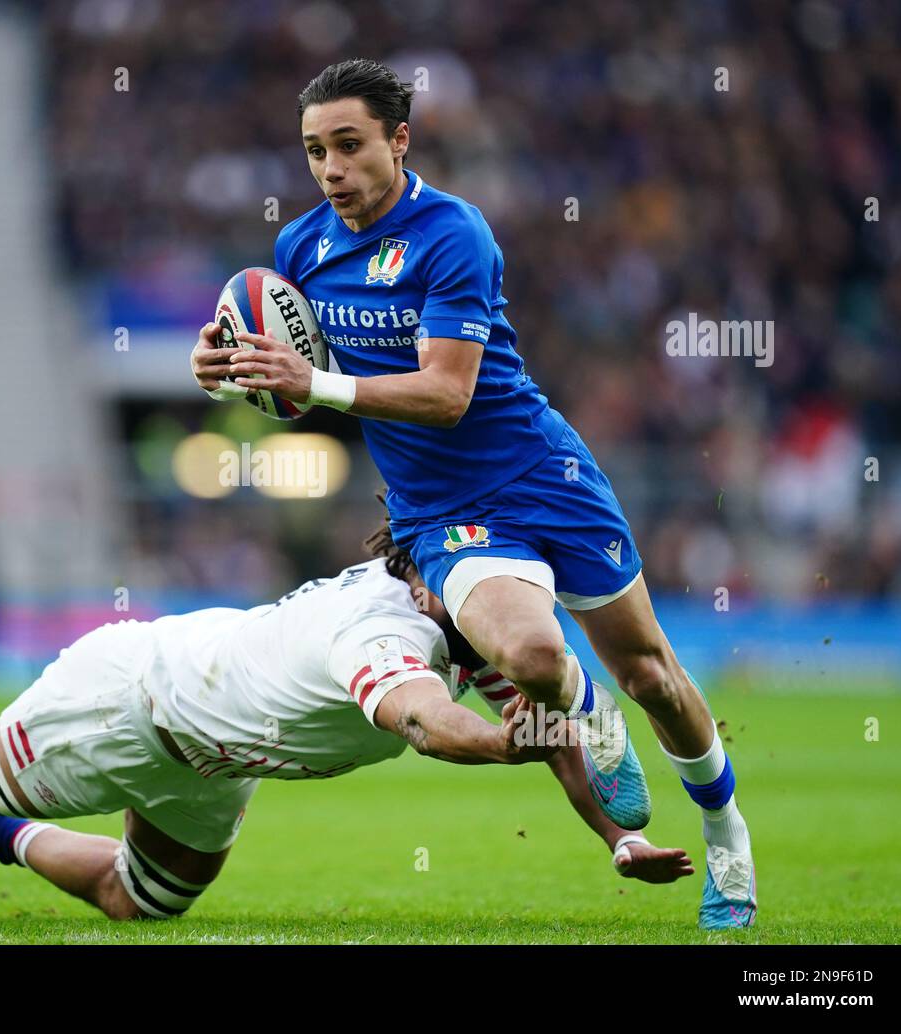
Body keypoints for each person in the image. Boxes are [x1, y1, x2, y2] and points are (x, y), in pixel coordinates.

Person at [189, 58, 753, 929]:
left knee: (652, 673)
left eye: (349, 146)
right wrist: (233, 372)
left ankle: (726, 838)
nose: (331, 169)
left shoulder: (455, 235)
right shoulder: (301, 249)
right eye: (314, 153)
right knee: (532, 662)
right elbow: (309, 388)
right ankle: (586, 711)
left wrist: (315, 382)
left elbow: (447, 395)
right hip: (443, 513)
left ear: (399, 140)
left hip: (542, 474)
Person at [0, 545, 691, 921]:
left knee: (141, 903)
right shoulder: (383, 631)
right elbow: (430, 726)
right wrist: (502, 746)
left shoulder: (461, 618)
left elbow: (556, 730)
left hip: (213, 757)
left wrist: (621, 838)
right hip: (133, 701)